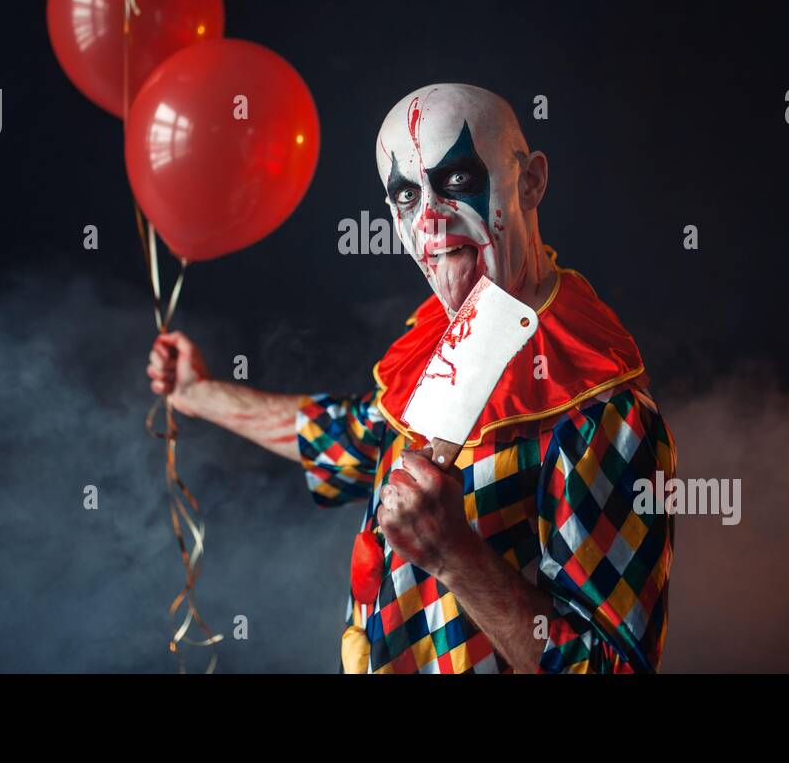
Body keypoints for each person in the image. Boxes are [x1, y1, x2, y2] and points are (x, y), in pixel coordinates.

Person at [147, 84, 677, 673]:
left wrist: (454, 554)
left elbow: (612, 668)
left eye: (456, 182)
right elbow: (354, 439)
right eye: (404, 194)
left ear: (530, 182)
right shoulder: (440, 345)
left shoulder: (599, 409)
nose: (428, 219)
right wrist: (199, 393)